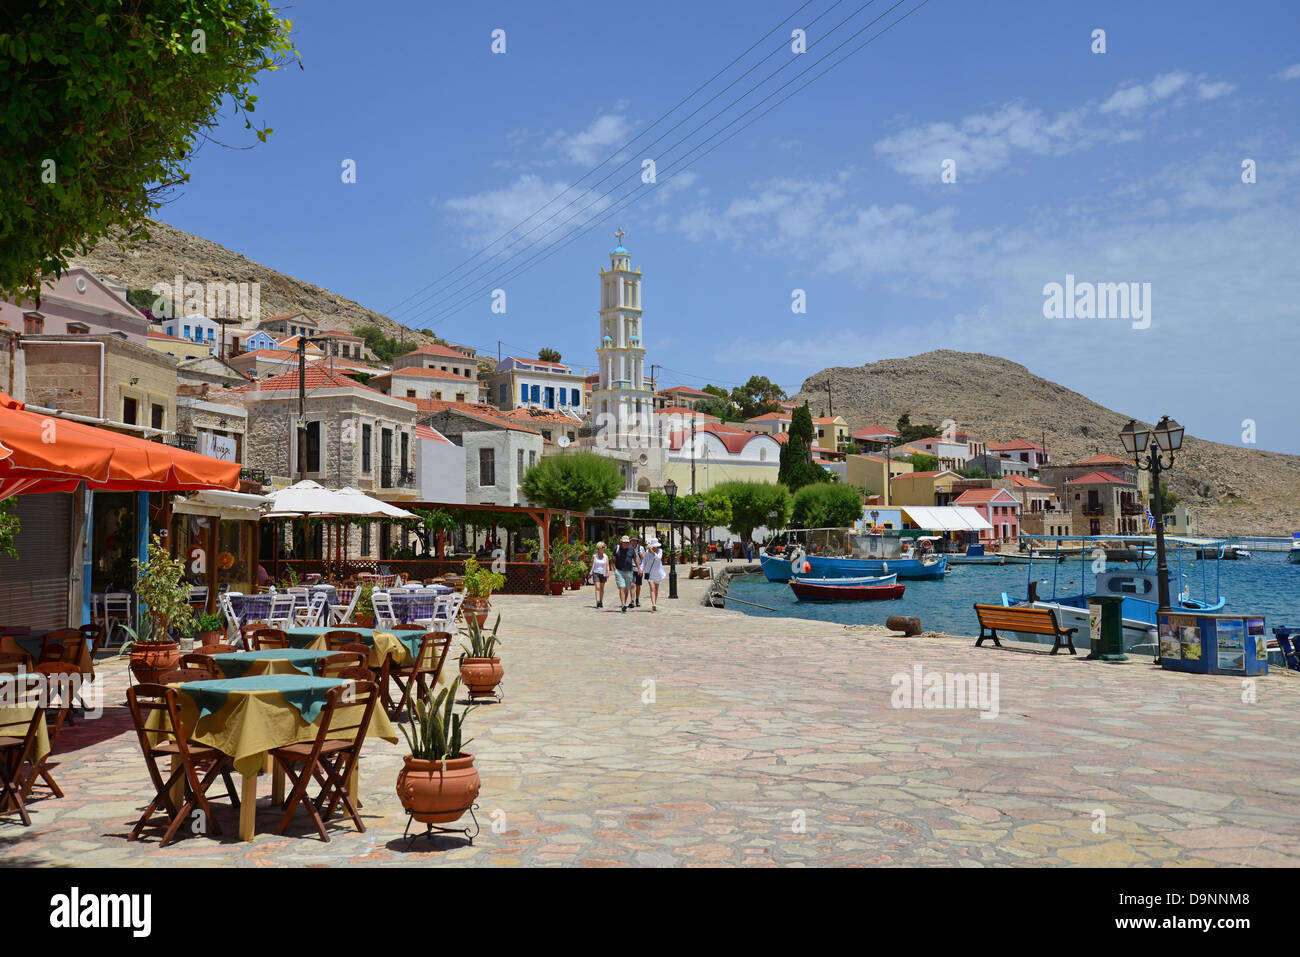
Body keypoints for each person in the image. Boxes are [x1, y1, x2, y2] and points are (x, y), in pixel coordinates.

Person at [641, 538, 668, 611]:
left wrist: (652, 552)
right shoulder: (647, 552)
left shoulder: (660, 551)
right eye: (654, 546)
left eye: (656, 546)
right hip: (650, 573)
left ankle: (654, 602)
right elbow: (644, 562)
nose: (655, 548)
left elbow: (658, 558)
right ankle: (653, 604)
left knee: (656, 589)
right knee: (652, 588)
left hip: (658, 572)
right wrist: (641, 569)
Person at [612, 535, 637, 612]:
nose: (625, 544)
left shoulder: (631, 549)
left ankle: (624, 603)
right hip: (619, 571)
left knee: (627, 588)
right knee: (622, 587)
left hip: (629, 571)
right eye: (624, 542)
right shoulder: (617, 548)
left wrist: (639, 568)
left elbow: (635, 560)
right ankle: (623, 604)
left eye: (627, 542)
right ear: (621, 542)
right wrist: (615, 570)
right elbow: (613, 560)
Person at [589, 541, 609, 609]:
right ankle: (597, 601)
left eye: (603, 547)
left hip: (603, 573)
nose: (602, 548)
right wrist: (590, 573)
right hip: (596, 573)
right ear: (598, 548)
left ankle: (601, 601)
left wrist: (608, 572)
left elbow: (607, 565)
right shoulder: (594, 556)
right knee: (597, 587)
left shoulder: (606, 556)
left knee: (602, 588)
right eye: (601, 547)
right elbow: (592, 565)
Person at [629, 533, 646, 608]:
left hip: (639, 568)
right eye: (633, 540)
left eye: (635, 540)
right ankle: (632, 600)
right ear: (630, 541)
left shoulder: (641, 548)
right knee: (632, 584)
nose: (634, 542)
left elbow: (645, 559)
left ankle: (637, 599)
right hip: (631, 568)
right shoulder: (628, 548)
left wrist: (641, 555)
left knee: (638, 585)